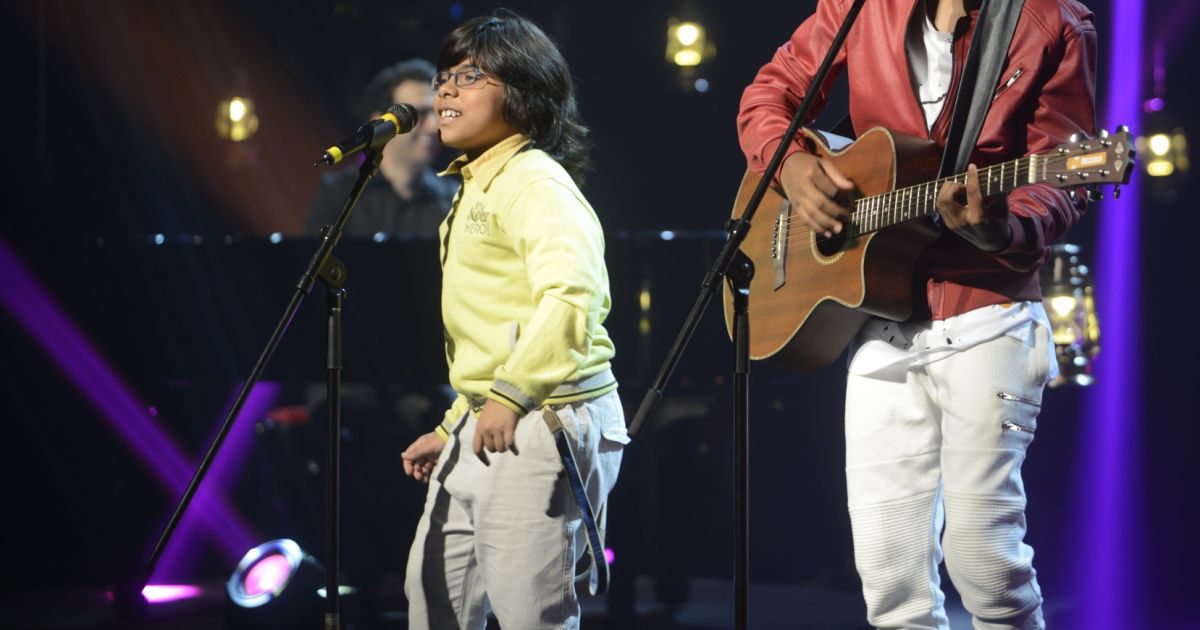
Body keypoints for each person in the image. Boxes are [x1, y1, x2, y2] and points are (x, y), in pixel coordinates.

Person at [737, 0, 1096, 628]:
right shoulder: (859, 7)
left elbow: (1062, 179)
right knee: (889, 577)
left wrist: (1000, 225)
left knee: (985, 562)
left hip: (989, 309)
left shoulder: (1052, 21)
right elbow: (771, 93)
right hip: (881, 318)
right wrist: (791, 166)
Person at [398, 10, 628, 629]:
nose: (444, 90)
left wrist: (512, 394)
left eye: (469, 76)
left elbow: (572, 296)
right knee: (433, 604)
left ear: (522, 93)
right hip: (489, 416)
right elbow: (495, 333)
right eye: (444, 76)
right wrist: (453, 426)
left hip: (544, 415)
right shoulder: (473, 184)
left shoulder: (534, 182)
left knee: (533, 616)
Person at [305, 58, 457, 238]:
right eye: (419, 115)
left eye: (437, 113)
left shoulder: (452, 198)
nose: (434, 126)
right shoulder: (338, 193)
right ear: (380, 123)